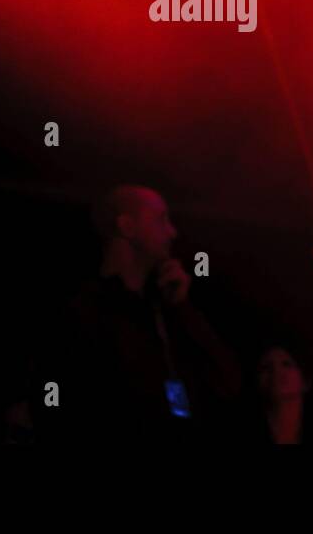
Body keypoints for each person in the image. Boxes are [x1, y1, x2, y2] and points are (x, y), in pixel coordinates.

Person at [39, 185, 241, 443]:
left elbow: (228, 383)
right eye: (161, 219)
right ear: (127, 227)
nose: (173, 232)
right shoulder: (81, 312)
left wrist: (183, 308)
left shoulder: (164, 310)